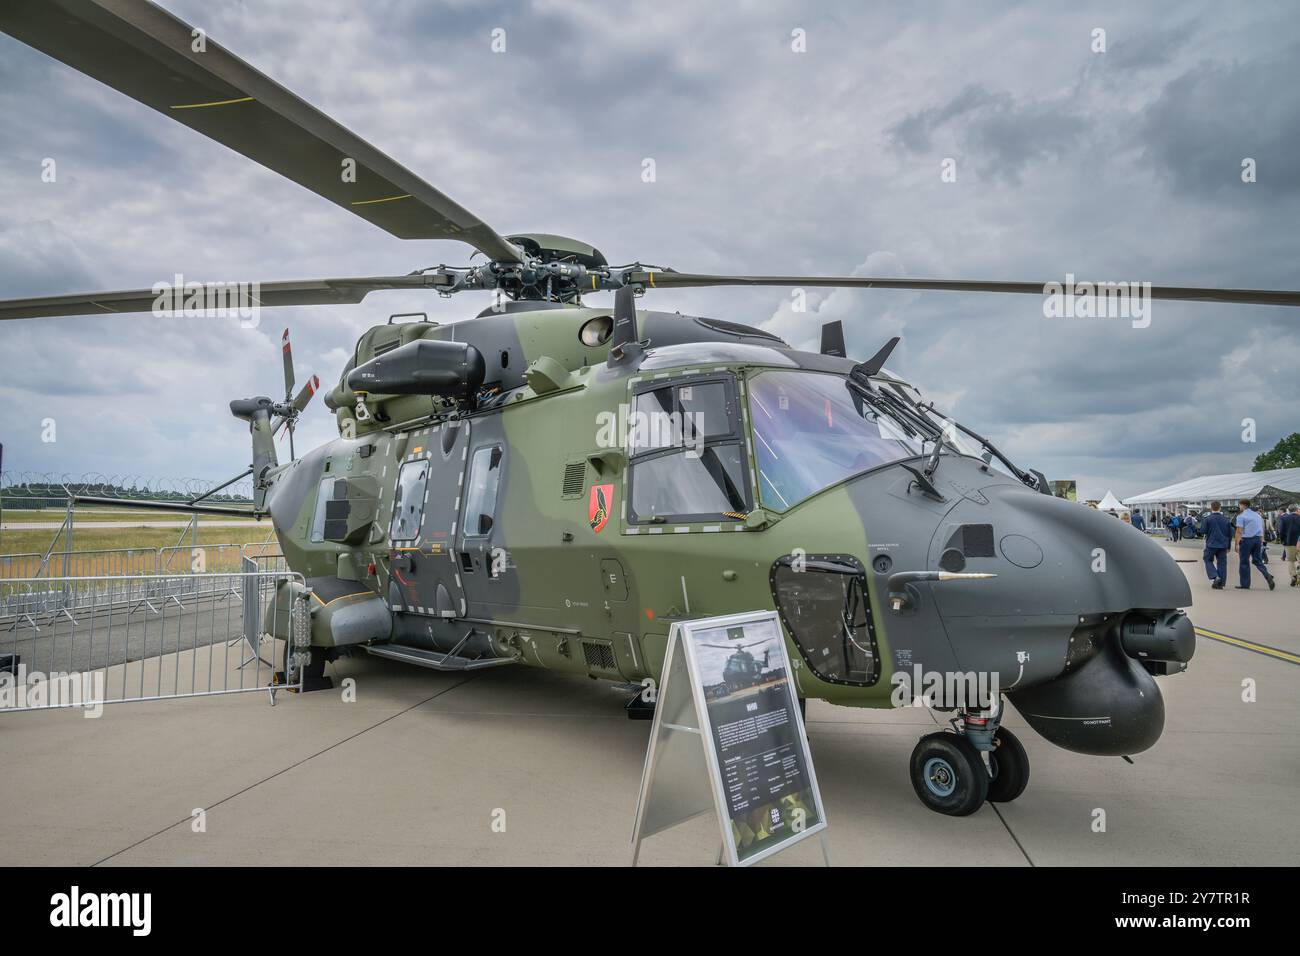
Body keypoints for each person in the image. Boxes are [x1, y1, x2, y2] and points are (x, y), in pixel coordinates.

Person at [1234, 498, 1275, 590]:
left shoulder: (1241, 516)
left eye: (1239, 505)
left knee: (1244, 562)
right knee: (1257, 560)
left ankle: (1245, 584)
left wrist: (1236, 544)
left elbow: (1239, 531)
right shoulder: (1257, 515)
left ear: (1242, 505)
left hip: (1246, 541)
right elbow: (1261, 529)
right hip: (1257, 540)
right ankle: (1267, 575)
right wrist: (1261, 541)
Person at [1202, 501, 1232, 590]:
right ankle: (1221, 584)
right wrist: (1229, 546)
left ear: (1211, 508)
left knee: (1207, 560)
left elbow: (1203, 530)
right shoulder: (1226, 519)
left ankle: (1215, 576)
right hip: (1223, 545)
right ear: (1220, 508)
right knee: (1222, 563)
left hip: (1211, 544)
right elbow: (1230, 534)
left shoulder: (1207, 519)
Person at [1279, 504, 1300, 587]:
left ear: (1288, 510)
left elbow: (1281, 531)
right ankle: (1299, 575)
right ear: (1297, 509)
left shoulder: (1284, 518)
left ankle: (1293, 575)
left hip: (1288, 543)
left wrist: (1282, 540)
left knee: (1290, 561)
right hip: (1299, 542)